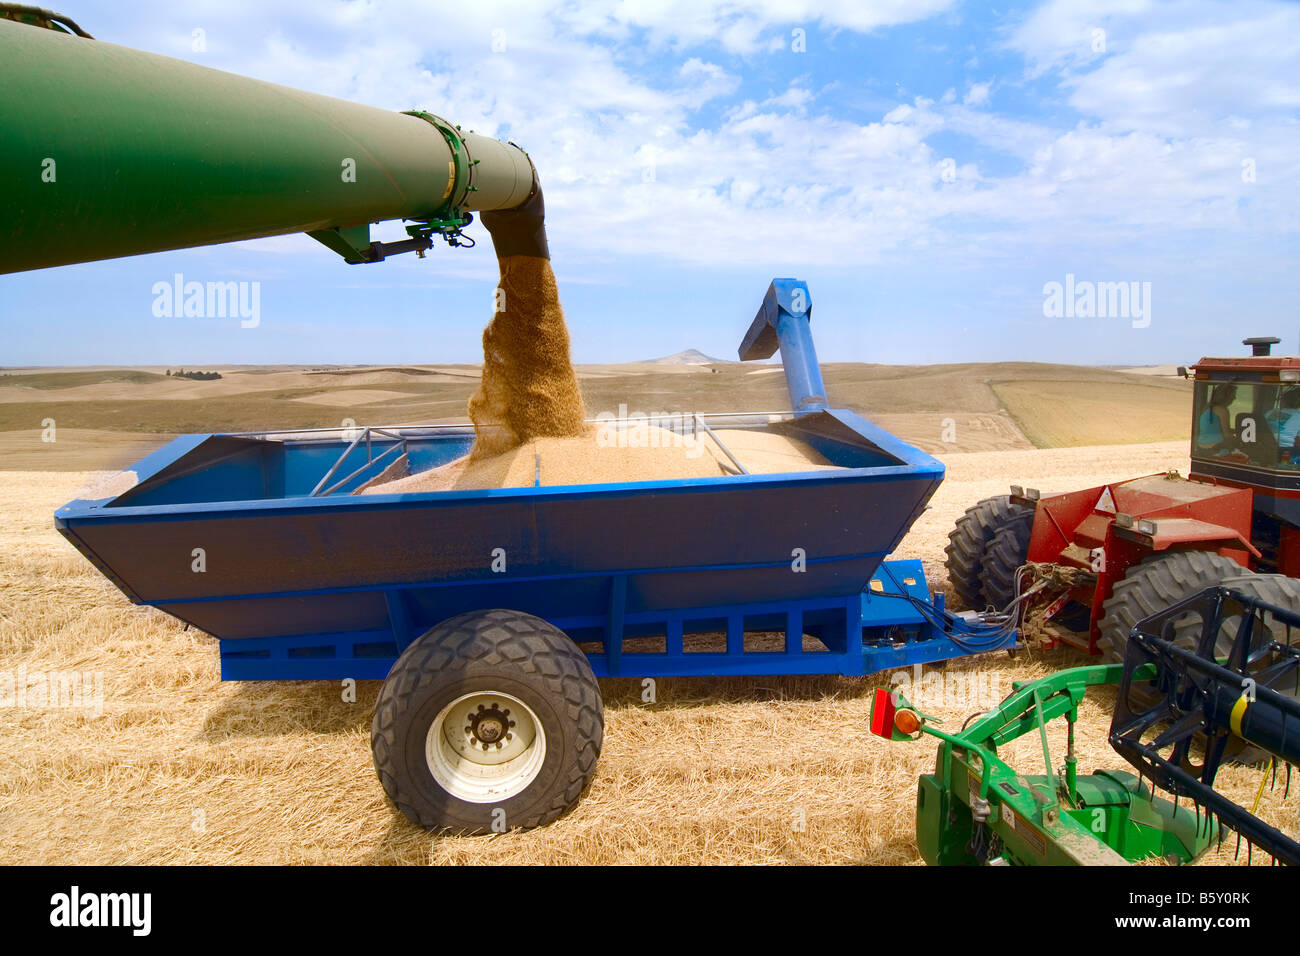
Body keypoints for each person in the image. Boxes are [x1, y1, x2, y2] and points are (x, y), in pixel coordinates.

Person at [1195, 384, 1235, 452]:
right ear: (1226, 396)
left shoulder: (1207, 408)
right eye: (1233, 395)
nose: (1234, 398)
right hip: (1215, 448)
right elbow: (1227, 434)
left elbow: (1213, 429)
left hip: (1201, 447)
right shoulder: (1222, 410)